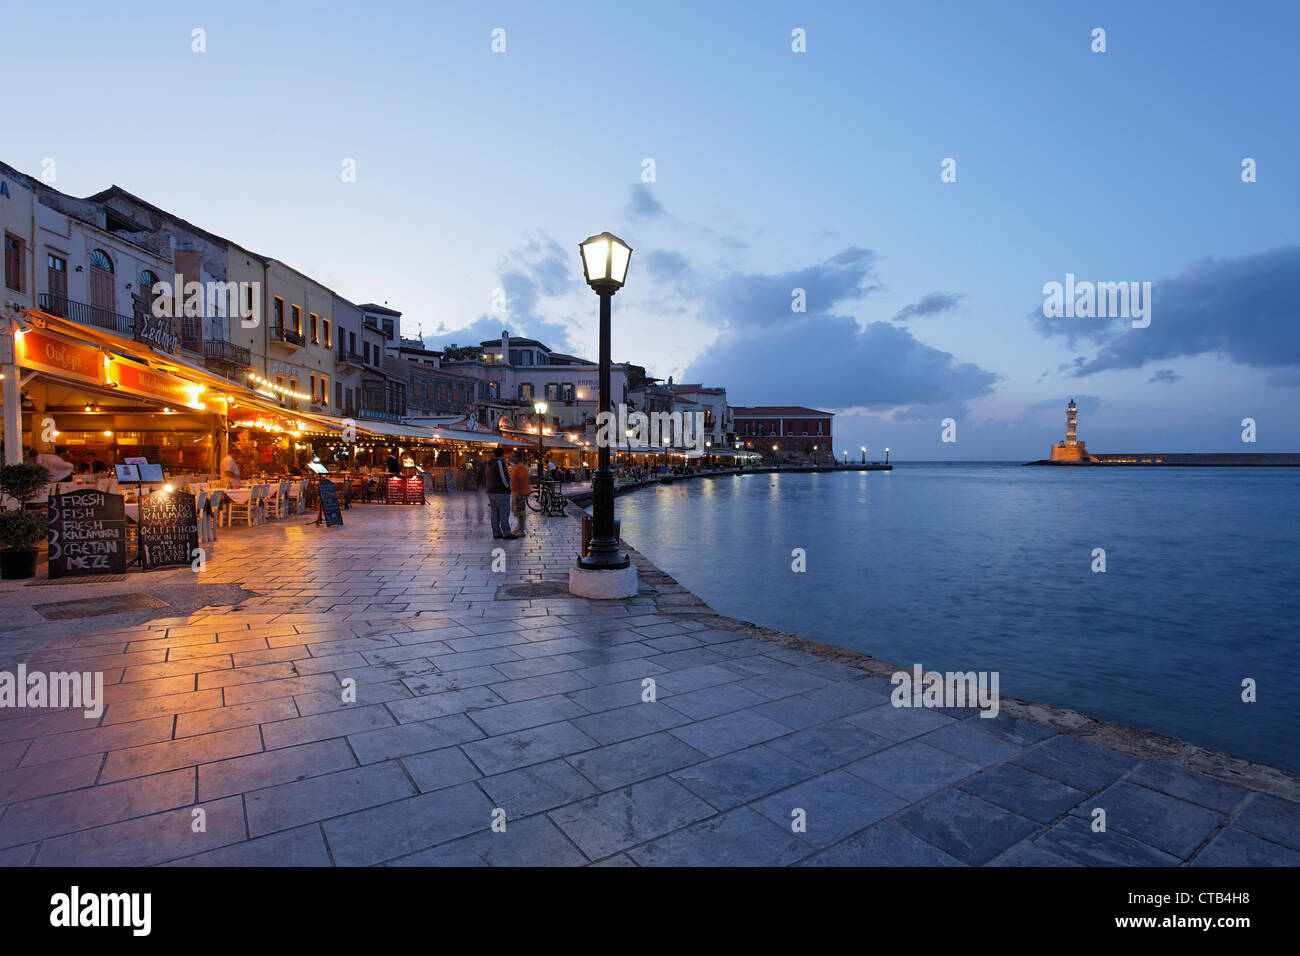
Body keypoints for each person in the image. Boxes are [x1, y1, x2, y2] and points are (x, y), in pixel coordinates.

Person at [484, 447, 515, 539]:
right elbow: (503, 476)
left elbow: (486, 476)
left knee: (494, 513)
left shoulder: (489, 463)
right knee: (504, 513)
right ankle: (507, 532)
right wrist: (507, 487)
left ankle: (496, 532)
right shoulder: (499, 463)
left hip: (491, 491)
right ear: (502, 454)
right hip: (500, 491)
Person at [509, 449, 530, 536]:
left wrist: (519, 493)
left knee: (520, 511)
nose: (510, 457)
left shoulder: (520, 467)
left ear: (516, 458)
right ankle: (519, 527)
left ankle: (521, 529)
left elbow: (522, 480)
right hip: (517, 491)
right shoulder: (516, 466)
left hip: (520, 492)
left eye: (512, 456)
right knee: (517, 510)